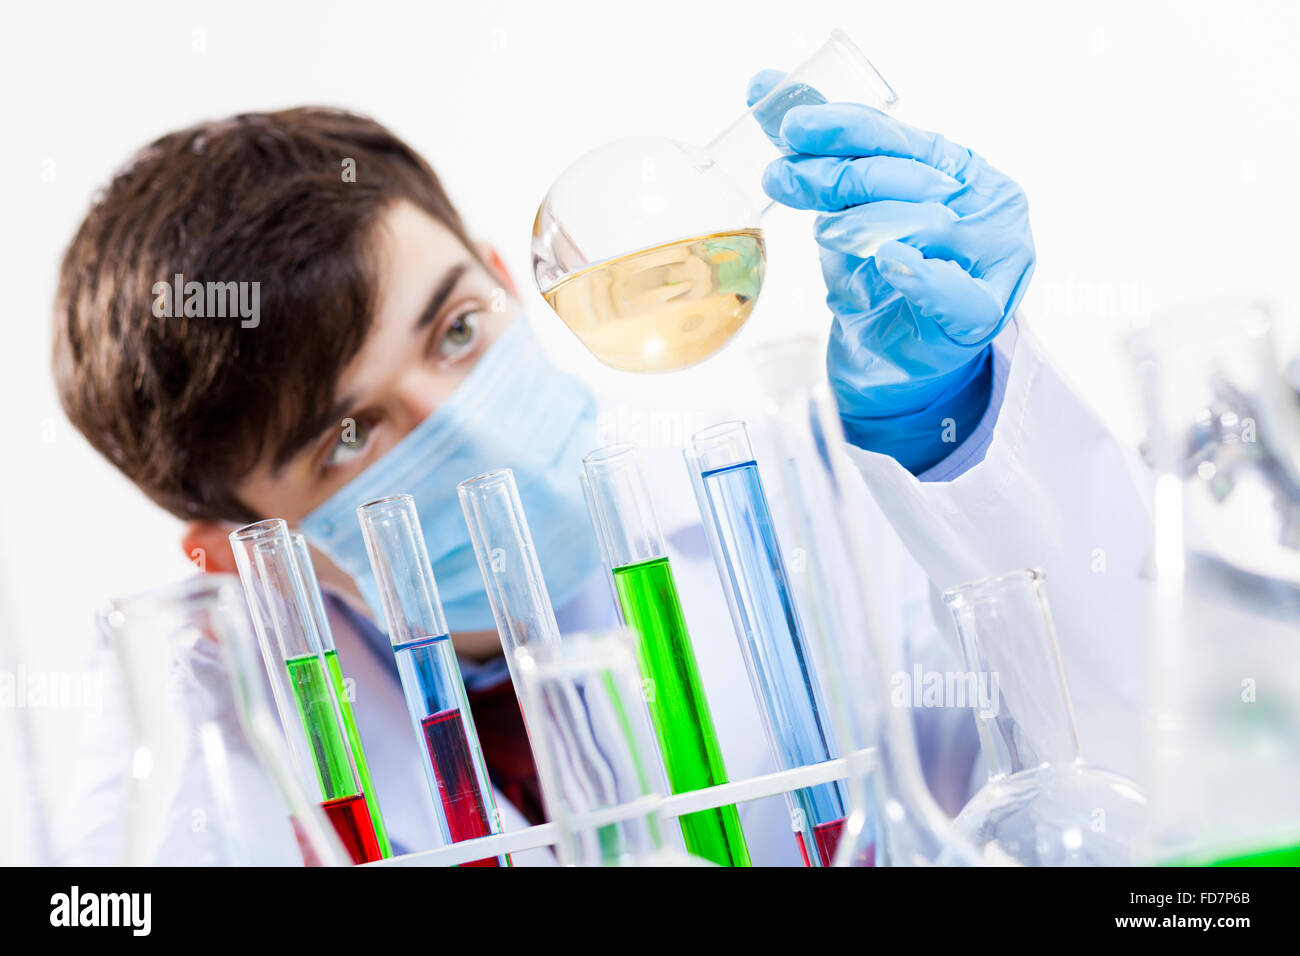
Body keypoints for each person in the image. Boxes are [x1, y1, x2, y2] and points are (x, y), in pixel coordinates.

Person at [51, 81, 1148, 864]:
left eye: (457, 331)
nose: (465, 431)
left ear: (503, 275)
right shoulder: (228, 726)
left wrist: (955, 426)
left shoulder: (803, 489)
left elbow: (1144, 757)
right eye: (348, 436)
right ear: (234, 552)